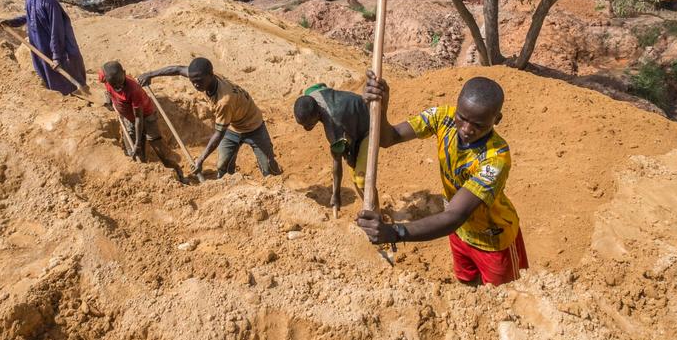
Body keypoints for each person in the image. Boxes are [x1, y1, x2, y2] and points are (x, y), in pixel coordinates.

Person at [355, 71, 528, 286]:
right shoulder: (443, 117)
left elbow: (455, 215)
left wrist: (395, 232)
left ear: (497, 119)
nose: (466, 129)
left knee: (502, 295)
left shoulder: (495, 158)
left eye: (478, 125)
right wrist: (380, 107)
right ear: (457, 106)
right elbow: (390, 138)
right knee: (466, 282)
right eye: (462, 117)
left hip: (493, 241)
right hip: (458, 233)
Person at [138, 58, 282, 179]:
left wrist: (201, 159)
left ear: (211, 75)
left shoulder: (224, 101)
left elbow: (218, 134)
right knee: (222, 167)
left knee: (269, 169)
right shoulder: (200, 75)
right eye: (193, 81)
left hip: (253, 126)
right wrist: (150, 74)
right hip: (232, 126)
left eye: (199, 81)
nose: (196, 84)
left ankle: (277, 178)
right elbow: (177, 69)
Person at [0, 0, 87, 95]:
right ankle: (56, 96)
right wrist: (12, 22)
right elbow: (29, 16)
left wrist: (56, 56)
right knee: (46, 73)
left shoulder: (50, 1)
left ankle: (74, 95)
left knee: (64, 74)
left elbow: (57, 30)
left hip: (53, 46)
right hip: (38, 44)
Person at [99, 61, 185, 182]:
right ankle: (144, 176)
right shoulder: (105, 77)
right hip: (128, 118)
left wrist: (138, 143)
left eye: (120, 83)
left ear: (124, 73)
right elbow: (104, 82)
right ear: (106, 80)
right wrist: (108, 98)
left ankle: (178, 173)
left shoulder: (133, 89)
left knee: (159, 149)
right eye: (114, 85)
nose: (118, 87)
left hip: (146, 116)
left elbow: (139, 118)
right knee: (132, 153)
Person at [293, 84, 369, 214]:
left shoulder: (333, 128)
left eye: (308, 124)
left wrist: (336, 194)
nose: (306, 129)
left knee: (360, 180)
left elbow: (337, 162)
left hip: (368, 126)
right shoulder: (311, 93)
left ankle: (375, 213)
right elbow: (322, 86)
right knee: (352, 167)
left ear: (317, 114)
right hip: (356, 110)